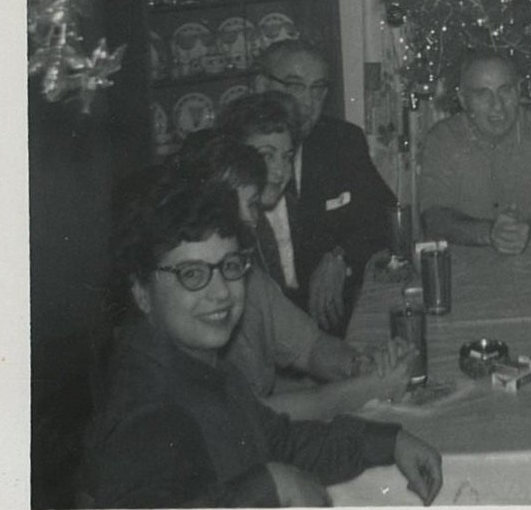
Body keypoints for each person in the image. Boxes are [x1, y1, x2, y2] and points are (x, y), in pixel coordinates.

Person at [82, 175, 442, 508]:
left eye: (231, 266)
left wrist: (385, 441)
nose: (221, 292)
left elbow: (279, 442)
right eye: (192, 274)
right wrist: (269, 485)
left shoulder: (202, 365)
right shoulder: (146, 408)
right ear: (141, 292)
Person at [172, 131, 412, 421]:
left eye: (254, 205)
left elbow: (310, 346)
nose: (253, 218)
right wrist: (364, 388)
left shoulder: (250, 278)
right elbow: (248, 417)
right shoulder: (187, 297)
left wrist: (359, 364)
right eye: (245, 204)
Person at [251, 38, 395, 335]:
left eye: (318, 90)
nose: (306, 103)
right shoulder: (224, 153)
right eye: (293, 86)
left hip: (326, 321)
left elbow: (385, 217)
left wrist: (340, 258)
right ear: (262, 86)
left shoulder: (342, 142)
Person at [418, 50, 531, 254]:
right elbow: (435, 218)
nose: (497, 106)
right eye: (482, 94)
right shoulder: (442, 139)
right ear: (463, 99)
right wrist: (490, 233)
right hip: (469, 269)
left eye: (505, 91)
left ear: (519, 90)